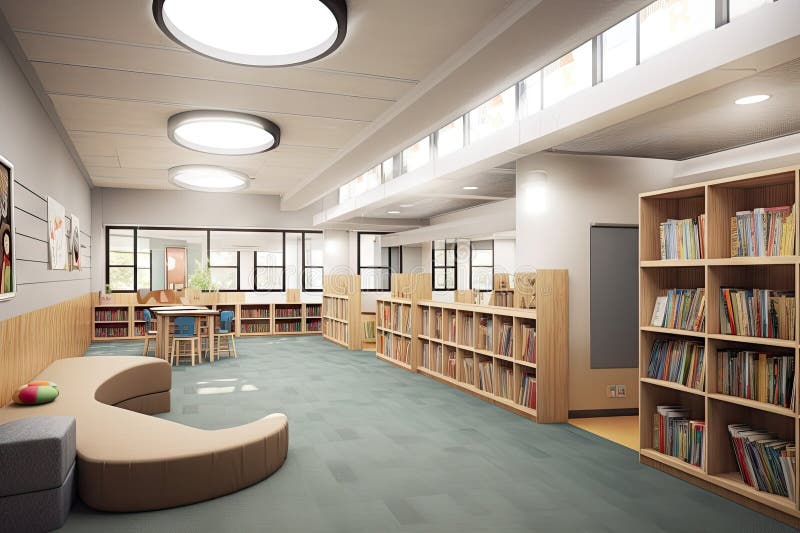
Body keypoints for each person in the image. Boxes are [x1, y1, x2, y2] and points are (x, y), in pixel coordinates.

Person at [1, 226, 11, 294]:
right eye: (5, 241)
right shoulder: (3, 261)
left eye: (7, 241)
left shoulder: (10, 261)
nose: (6, 244)